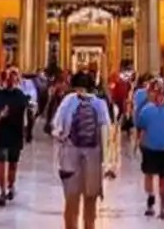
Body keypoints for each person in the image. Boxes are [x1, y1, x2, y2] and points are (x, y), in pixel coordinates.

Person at [52, 70, 110, 229]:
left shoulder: (68, 101)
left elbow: (56, 128)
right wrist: (108, 162)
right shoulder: (99, 104)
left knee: (71, 201)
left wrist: (61, 137)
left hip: (70, 158)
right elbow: (105, 132)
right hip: (93, 158)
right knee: (90, 201)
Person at [135, 82, 164, 220]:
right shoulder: (146, 110)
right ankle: (150, 199)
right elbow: (142, 129)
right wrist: (139, 144)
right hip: (150, 148)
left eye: (163, 94)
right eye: (158, 94)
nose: (161, 97)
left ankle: (163, 206)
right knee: (149, 174)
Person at [0, 66, 31, 207]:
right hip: (1, 133)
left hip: (15, 133)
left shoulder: (20, 96)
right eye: (9, 77)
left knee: (13, 163)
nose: (11, 80)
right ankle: (2, 191)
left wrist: (27, 131)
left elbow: (27, 114)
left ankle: (11, 185)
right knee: (1, 160)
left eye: (14, 77)